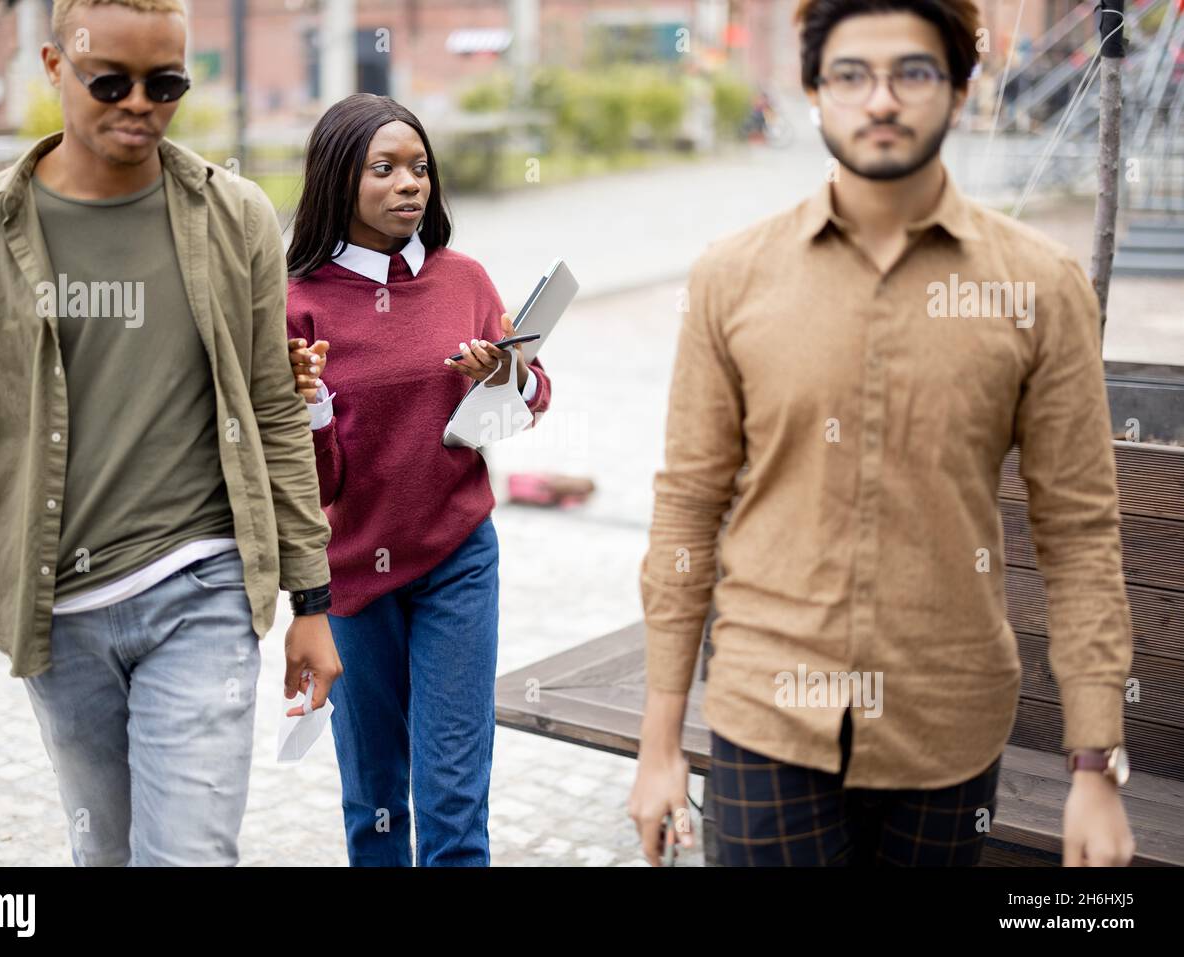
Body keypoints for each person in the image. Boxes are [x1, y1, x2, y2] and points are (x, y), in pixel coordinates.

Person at [629, 0, 1136, 867]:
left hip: (947, 722)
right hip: (768, 712)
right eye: (851, 75)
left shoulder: (1040, 288)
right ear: (814, 92)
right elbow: (687, 506)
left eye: (914, 72)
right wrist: (660, 740)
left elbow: (1080, 531)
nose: (882, 99)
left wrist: (1095, 764)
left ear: (961, 88)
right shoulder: (732, 277)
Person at [0, 0, 341, 866]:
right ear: (55, 67)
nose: (141, 102)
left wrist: (312, 601)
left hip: (203, 589)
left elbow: (275, 409)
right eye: (112, 81)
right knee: (109, 855)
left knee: (190, 857)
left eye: (165, 82)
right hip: (60, 618)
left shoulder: (234, 216)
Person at [285, 93, 552, 866]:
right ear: (339, 179)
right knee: (373, 801)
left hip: (457, 559)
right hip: (351, 583)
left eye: (420, 167)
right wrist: (311, 405)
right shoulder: (297, 305)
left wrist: (511, 380)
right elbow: (314, 486)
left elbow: (519, 411)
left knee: (454, 799)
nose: (411, 184)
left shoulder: (463, 278)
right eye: (385, 168)